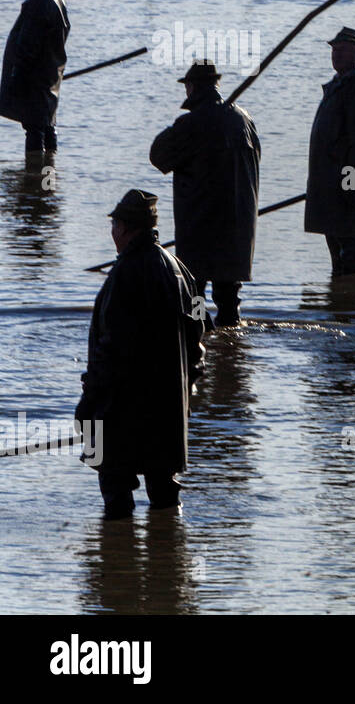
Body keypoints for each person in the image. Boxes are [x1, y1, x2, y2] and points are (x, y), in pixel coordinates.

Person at [76, 189, 206, 520]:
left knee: (115, 489)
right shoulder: (179, 269)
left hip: (121, 407)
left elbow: (112, 348)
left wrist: (89, 399)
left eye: (114, 224)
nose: (112, 232)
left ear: (125, 228)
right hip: (168, 407)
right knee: (164, 489)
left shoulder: (125, 274)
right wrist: (190, 383)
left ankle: (118, 561)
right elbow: (200, 328)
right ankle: (170, 555)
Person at [149, 59, 261, 327]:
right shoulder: (244, 120)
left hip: (201, 225)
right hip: (238, 225)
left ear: (191, 88)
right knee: (228, 297)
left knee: (195, 295)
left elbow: (158, 155)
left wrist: (179, 127)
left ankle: (201, 337)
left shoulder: (191, 124)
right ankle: (229, 344)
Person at [305, 27, 355, 278]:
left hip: (346, 185)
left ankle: (352, 307)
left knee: (349, 245)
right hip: (332, 184)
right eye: (334, 50)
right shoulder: (341, 84)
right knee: (337, 243)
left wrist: (350, 186)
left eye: (342, 50)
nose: (336, 55)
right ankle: (342, 304)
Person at [0, 0, 70, 161]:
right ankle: (47, 171)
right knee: (46, 124)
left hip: (34, 80)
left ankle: (33, 172)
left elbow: (27, 47)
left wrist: (16, 79)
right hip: (50, 78)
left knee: (34, 128)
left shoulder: (39, 4)